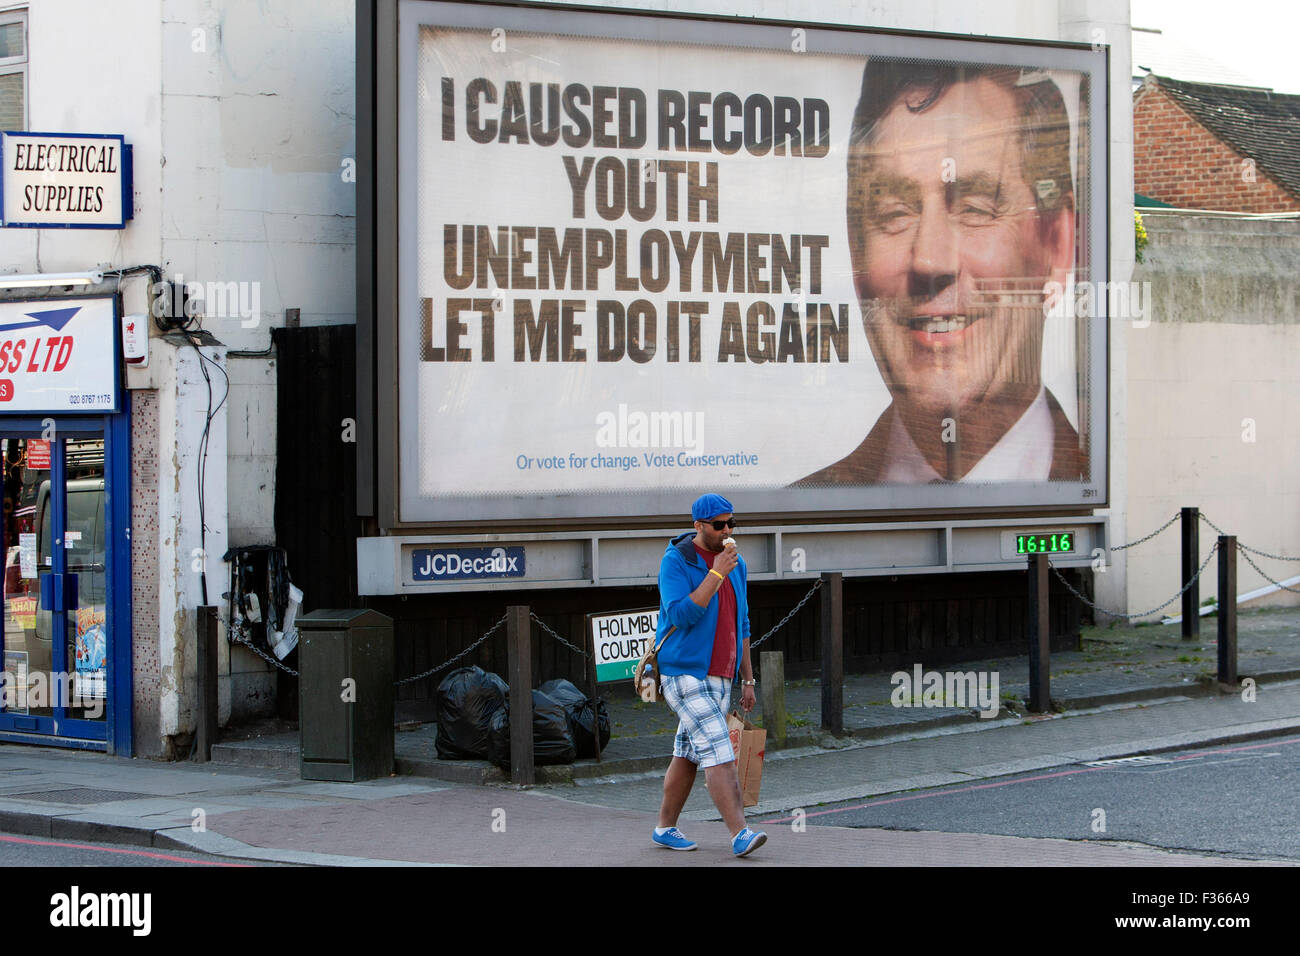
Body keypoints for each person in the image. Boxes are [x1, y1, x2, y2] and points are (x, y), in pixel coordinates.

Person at [801, 60, 1087, 484]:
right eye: (894, 214)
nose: (930, 261)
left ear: (1058, 243)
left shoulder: (1087, 482)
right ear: (855, 245)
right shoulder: (799, 506)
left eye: (975, 209)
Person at [650, 493, 767, 858]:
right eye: (719, 525)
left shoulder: (739, 564)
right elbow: (682, 615)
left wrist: (747, 680)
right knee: (718, 747)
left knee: (687, 752)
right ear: (698, 526)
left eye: (731, 523)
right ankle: (739, 834)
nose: (727, 530)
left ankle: (664, 828)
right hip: (681, 671)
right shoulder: (676, 562)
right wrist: (717, 571)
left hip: (720, 676)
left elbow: (743, 623)